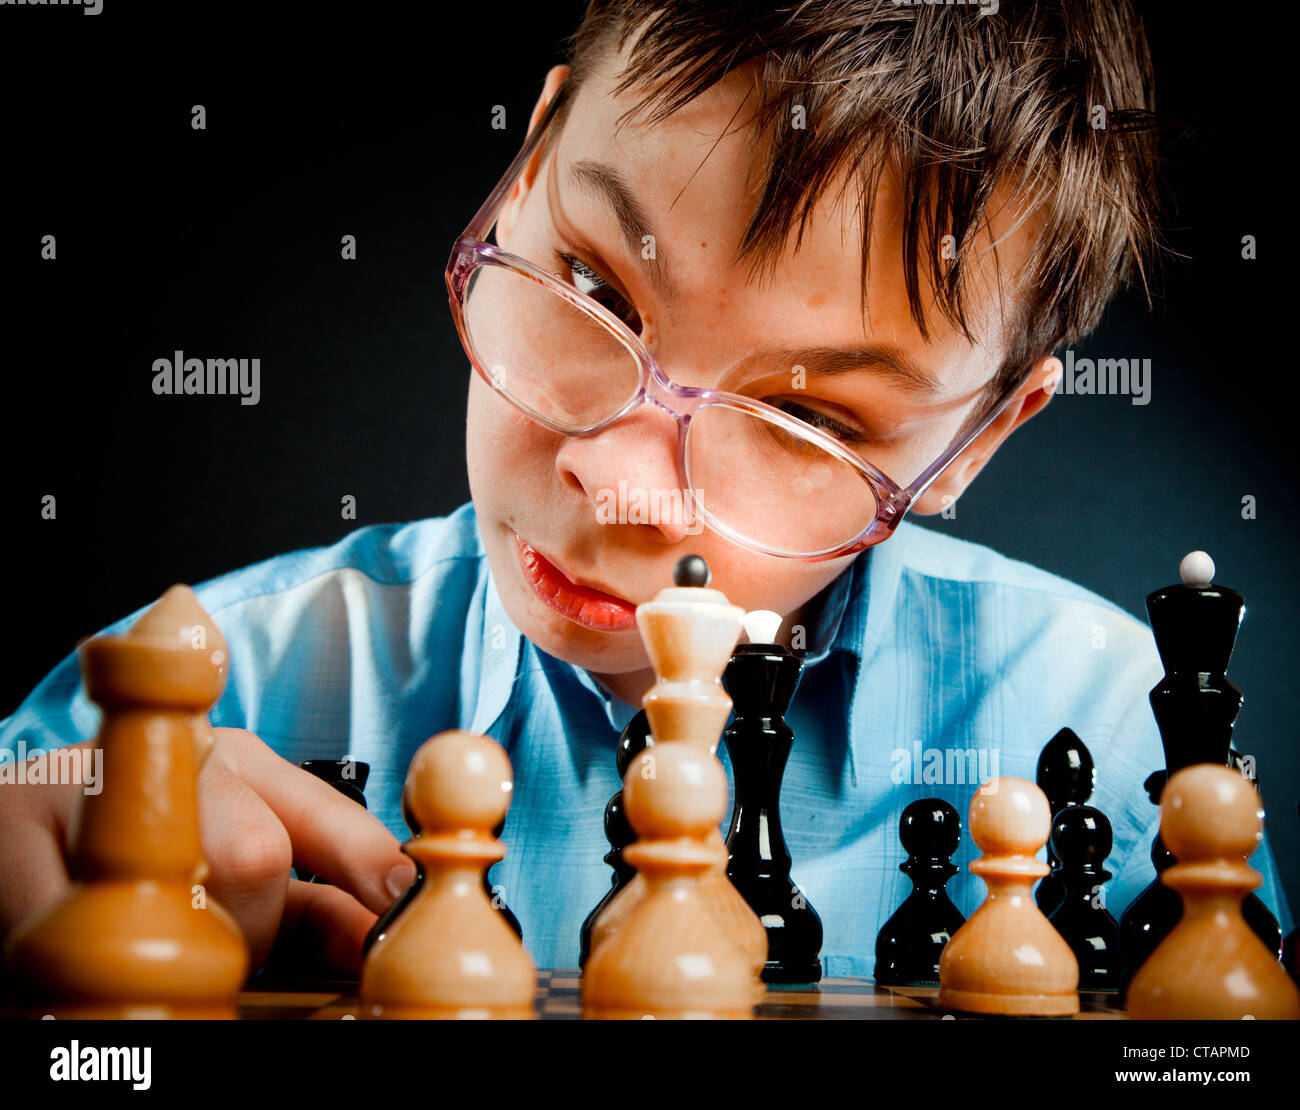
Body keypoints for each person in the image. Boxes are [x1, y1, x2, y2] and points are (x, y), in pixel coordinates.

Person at [0, 0, 1289, 977]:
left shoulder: (1127, 747)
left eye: (803, 415)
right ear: (525, 168)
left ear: (980, 444)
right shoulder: (182, 690)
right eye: (597, 288)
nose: (617, 483)